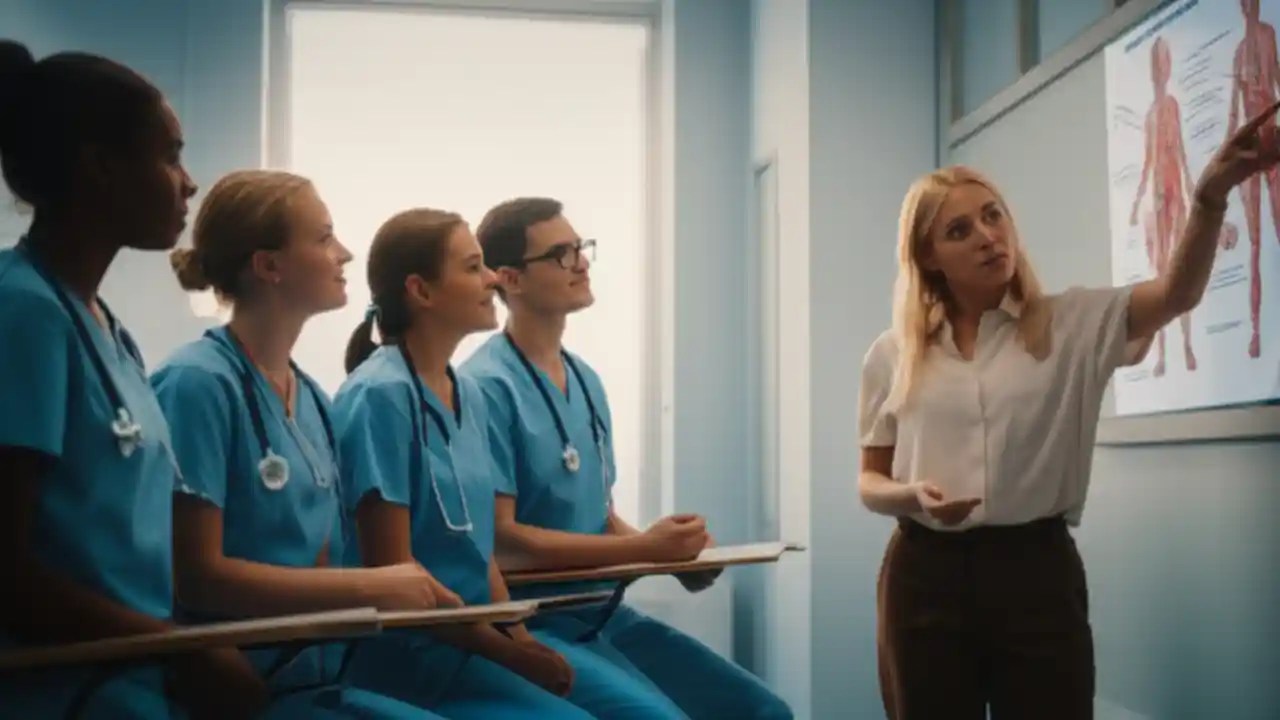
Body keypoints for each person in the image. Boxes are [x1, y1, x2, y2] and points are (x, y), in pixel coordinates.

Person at [858, 104, 1280, 719]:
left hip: (1036, 572)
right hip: (923, 576)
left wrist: (1210, 196)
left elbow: (1177, 293)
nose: (986, 236)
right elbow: (869, 480)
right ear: (928, 259)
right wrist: (912, 497)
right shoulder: (892, 354)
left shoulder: (1073, 323)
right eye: (959, 231)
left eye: (992, 215)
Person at [0, 40, 266, 718]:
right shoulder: (22, 313)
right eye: (170, 154)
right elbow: (8, 573)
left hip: (133, 683)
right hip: (65, 693)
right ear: (100, 166)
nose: (189, 181)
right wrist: (183, 647)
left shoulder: (105, 328)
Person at [459, 197, 794, 720]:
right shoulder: (485, 387)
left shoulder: (585, 381)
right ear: (511, 279)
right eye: (561, 254)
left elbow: (599, 516)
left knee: (761, 711)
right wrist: (646, 549)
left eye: (581, 248)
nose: (582, 263)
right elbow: (504, 542)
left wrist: (676, 554)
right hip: (538, 620)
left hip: (603, 612)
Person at [151, 169, 452, 718]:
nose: (344, 253)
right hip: (231, 692)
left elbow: (321, 564)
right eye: (323, 237)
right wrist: (370, 587)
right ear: (269, 266)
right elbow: (194, 577)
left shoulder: (311, 399)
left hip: (312, 681)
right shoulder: (197, 385)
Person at [335, 208, 595, 719]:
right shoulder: (379, 397)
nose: (494, 278)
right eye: (474, 268)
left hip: (474, 643)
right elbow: (395, 577)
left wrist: (520, 638)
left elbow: (480, 554)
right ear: (421, 291)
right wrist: (511, 653)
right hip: (411, 654)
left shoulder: (468, 394)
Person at [1129, 35, 1198, 376]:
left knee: (1181, 272)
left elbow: (1180, 152)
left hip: (1175, 196)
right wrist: (1137, 201)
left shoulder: (1171, 106)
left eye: (1165, 61)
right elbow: (1147, 163)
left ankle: (1186, 343)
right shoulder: (1150, 115)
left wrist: (1194, 189)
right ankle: (1162, 355)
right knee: (1161, 277)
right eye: (1157, 62)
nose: (1162, 68)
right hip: (1158, 201)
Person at [1229, 0, 1280, 358]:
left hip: (1272, 146)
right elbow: (1234, 110)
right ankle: (1256, 330)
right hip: (1249, 154)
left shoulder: (1267, 35)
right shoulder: (1238, 51)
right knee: (1256, 246)